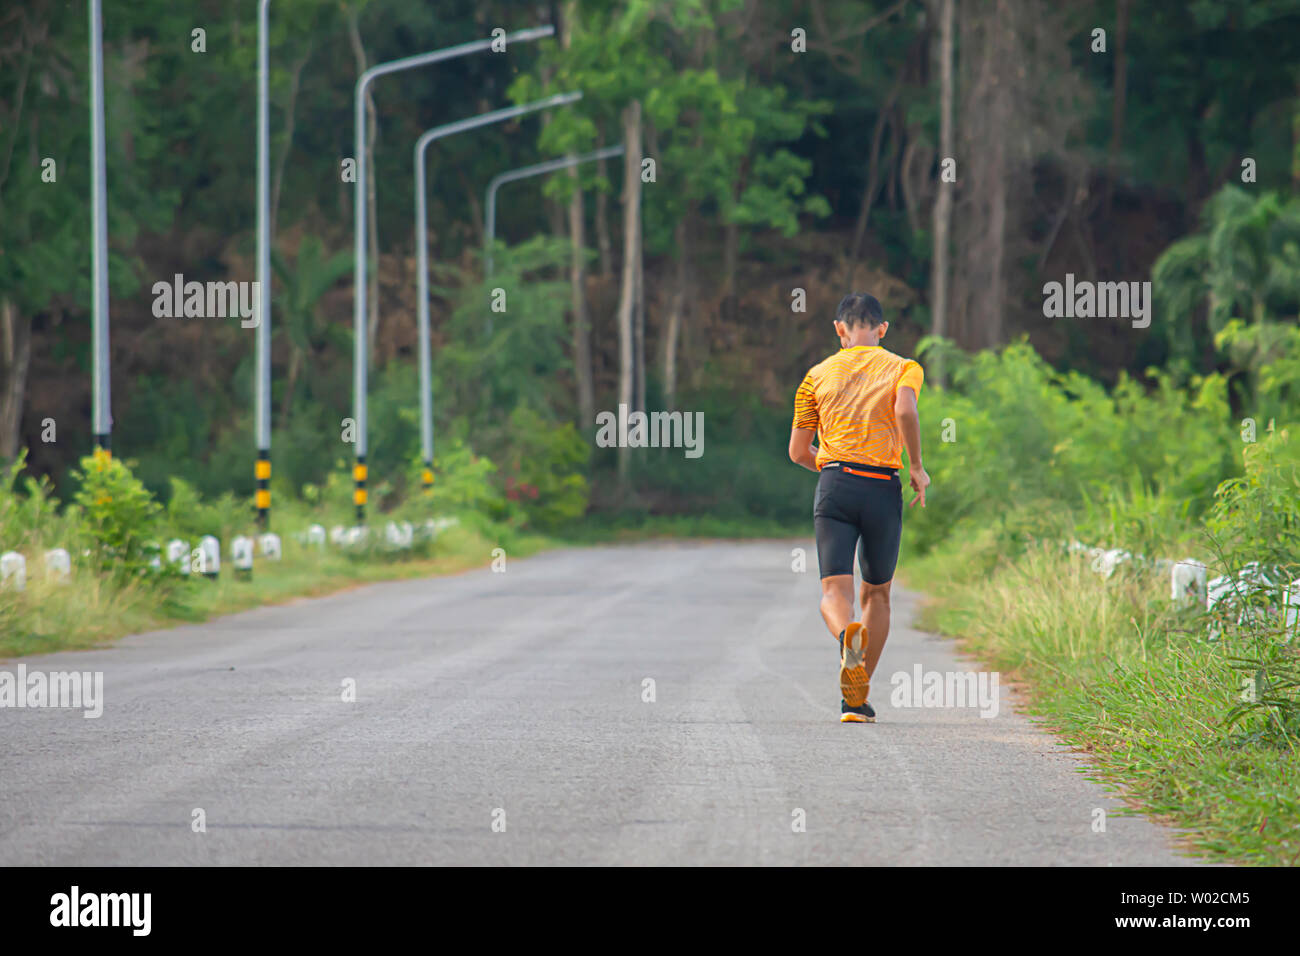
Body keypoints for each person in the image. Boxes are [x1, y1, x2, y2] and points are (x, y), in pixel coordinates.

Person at [788, 292, 930, 723]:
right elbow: (905, 409)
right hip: (882, 488)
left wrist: (833, 470)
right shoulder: (904, 367)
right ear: (882, 329)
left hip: (834, 483)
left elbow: (797, 452)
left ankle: (845, 635)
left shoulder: (815, 376)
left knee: (835, 592)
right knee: (878, 594)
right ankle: (856, 697)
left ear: (840, 329)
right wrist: (917, 467)